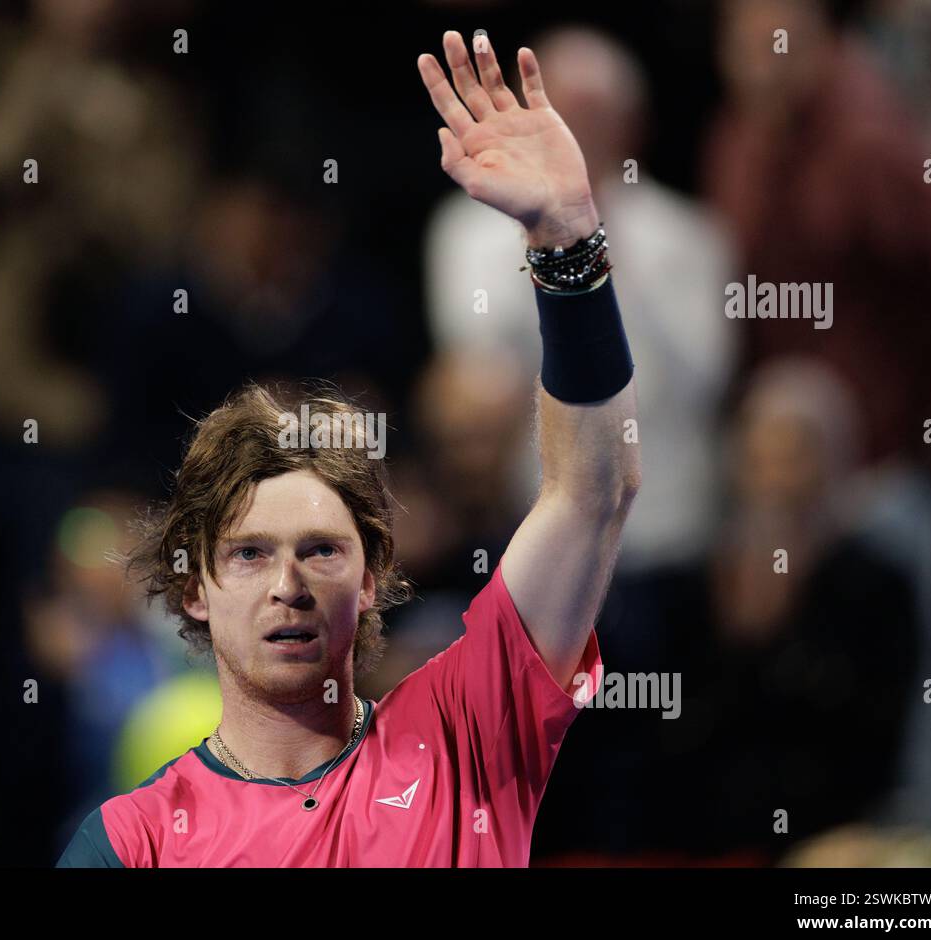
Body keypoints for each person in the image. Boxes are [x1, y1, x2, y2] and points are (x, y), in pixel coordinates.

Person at [57, 30, 641, 867]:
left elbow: (596, 490)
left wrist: (568, 238)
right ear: (192, 586)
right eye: (251, 553)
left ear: (371, 577)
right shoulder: (130, 841)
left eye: (322, 550)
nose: (288, 585)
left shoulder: (467, 733)